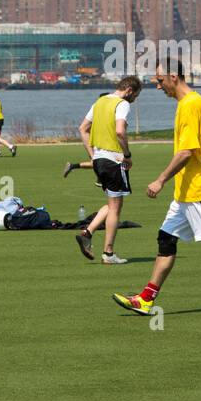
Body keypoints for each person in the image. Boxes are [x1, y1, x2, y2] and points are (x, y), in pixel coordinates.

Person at [113, 61, 201, 317]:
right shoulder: (196, 102)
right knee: (166, 239)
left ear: (173, 77)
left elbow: (187, 152)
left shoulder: (189, 106)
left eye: (160, 80)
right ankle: (146, 299)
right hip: (185, 193)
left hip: (198, 191)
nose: (157, 86)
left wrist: (160, 180)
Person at [74, 76, 142, 264]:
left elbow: (82, 128)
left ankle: (88, 233)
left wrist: (92, 155)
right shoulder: (122, 104)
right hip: (114, 160)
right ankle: (109, 253)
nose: (134, 100)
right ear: (129, 90)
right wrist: (127, 154)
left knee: (112, 204)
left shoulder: (100, 102)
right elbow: (120, 131)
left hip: (99, 160)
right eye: (135, 96)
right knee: (115, 208)